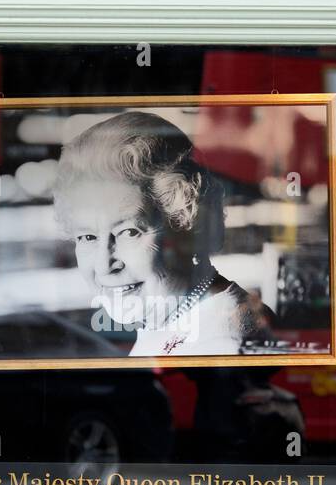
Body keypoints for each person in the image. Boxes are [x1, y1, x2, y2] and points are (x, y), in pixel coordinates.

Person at [51, 111, 276, 357]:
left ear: (188, 225)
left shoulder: (222, 344)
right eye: (88, 237)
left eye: (129, 232)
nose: (104, 266)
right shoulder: (172, 320)